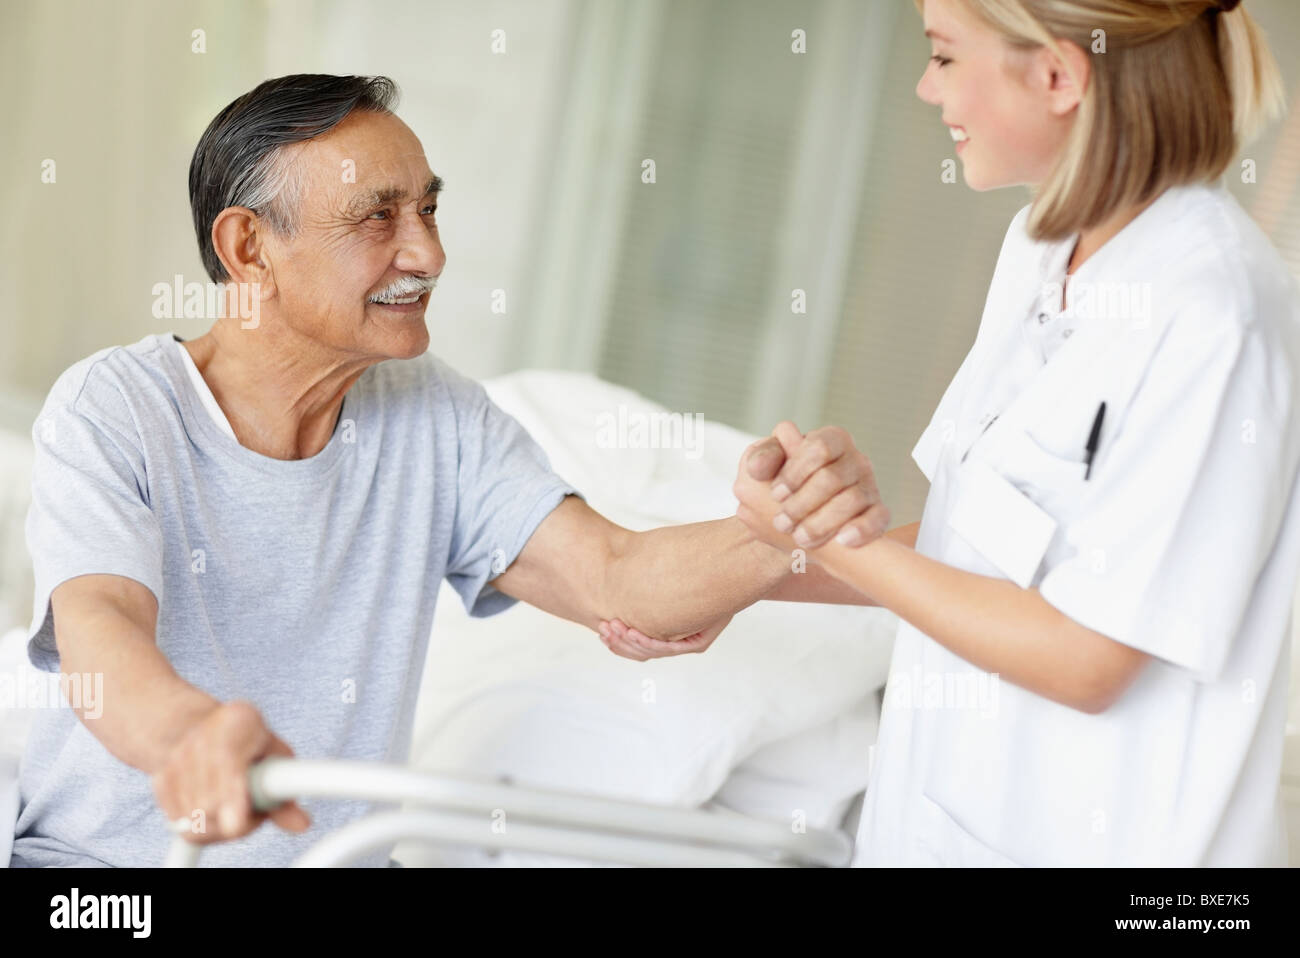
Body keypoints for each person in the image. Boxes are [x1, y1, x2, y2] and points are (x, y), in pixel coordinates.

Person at [11, 74, 882, 868]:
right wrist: (190, 736)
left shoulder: (435, 415)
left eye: (428, 211)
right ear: (249, 250)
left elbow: (619, 577)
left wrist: (777, 534)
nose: (427, 255)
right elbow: (101, 631)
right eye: (378, 217)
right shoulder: (117, 409)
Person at [609, 0, 1298, 866]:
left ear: (1057, 74)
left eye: (942, 56)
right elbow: (965, 553)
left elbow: (1090, 655)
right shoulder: (1044, 250)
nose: (926, 87)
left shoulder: (1216, 312)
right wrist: (753, 577)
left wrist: (823, 538)